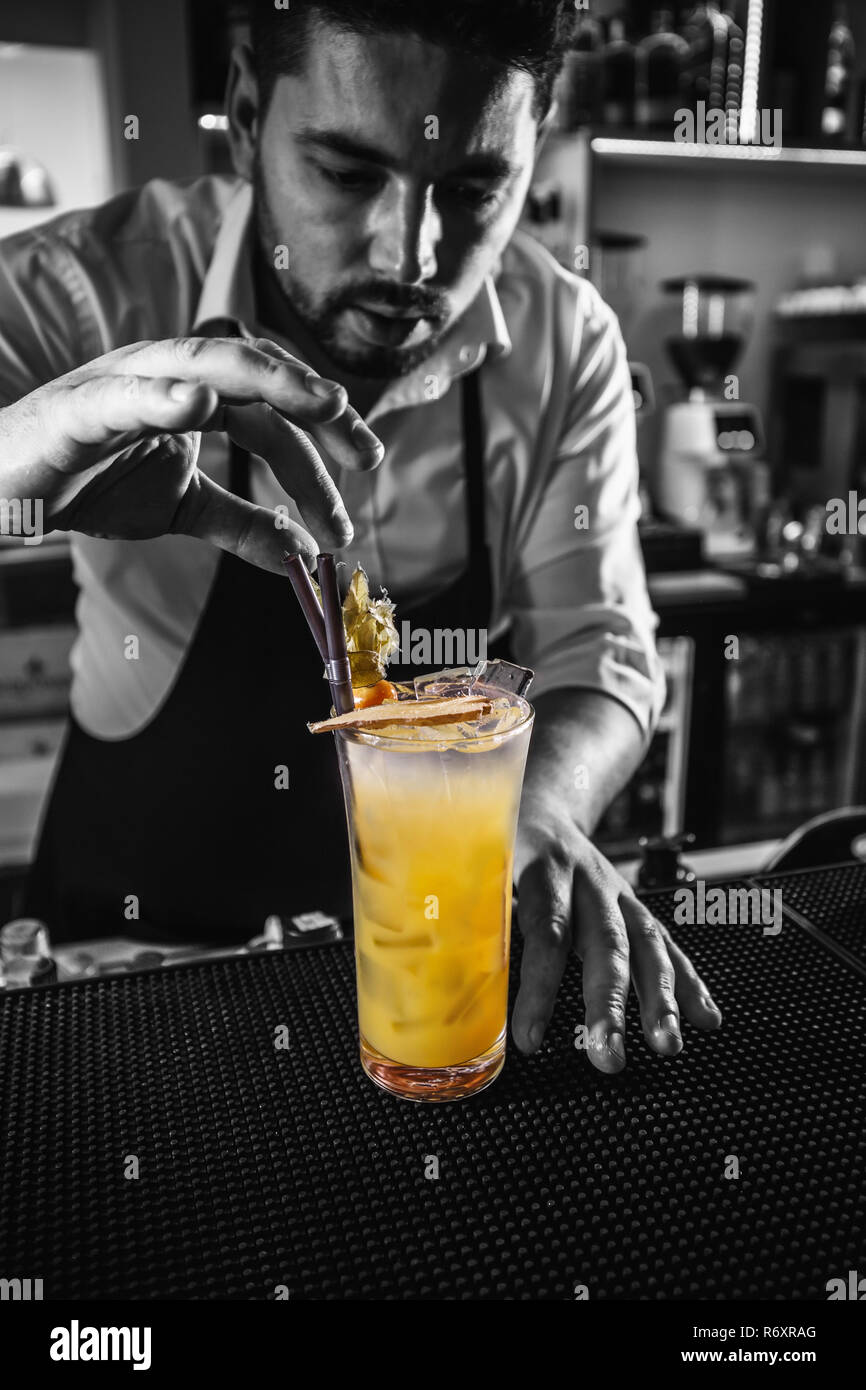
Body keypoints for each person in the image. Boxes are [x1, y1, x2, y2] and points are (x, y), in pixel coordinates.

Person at [0, 0, 721, 1071]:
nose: (409, 255)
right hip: (132, 958)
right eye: (346, 174)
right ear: (246, 113)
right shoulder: (80, 287)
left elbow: (599, 654)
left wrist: (540, 805)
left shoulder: (566, 341)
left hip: (437, 963)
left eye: (474, 189)